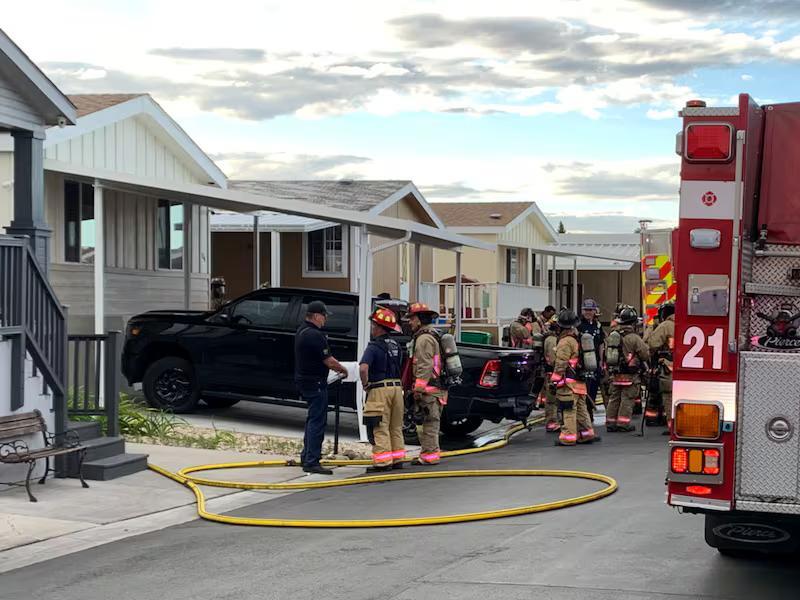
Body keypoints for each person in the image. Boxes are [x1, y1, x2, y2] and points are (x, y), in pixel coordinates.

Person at [295, 300, 348, 475]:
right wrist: (343, 370)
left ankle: (306, 456)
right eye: (324, 316)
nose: (325, 319)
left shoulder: (302, 330)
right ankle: (312, 461)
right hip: (315, 382)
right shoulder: (315, 335)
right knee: (317, 421)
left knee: (312, 419)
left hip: (306, 380)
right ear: (317, 316)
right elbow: (329, 361)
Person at [359, 307, 405, 472]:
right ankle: (398, 459)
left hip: (380, 389)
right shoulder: (396, 345)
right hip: (397, 389)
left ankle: (383, 462)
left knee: (380, 427)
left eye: (373, 325)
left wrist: (365, 384)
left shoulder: (373, 346)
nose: (372, 328)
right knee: (395, 426)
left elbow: (363, 368)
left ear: (379, 327)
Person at [550, 309, 597, 446]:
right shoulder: (578, 338)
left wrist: (554, 381)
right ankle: (586, 434)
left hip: (568, 383)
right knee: (581, 408)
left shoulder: (565, 342)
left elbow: (561, 363)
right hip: (580, 381)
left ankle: (568, 437)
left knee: (568, 409)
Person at [407, 302, 447, 465]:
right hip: (435, 389)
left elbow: (425, 365)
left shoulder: (424, 339)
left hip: (429, 390)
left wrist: (418, 389)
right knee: (428, 423)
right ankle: (428, 453)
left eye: (412, 318)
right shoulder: (432, 335)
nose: (409, 322)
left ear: (420, 319)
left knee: (429, 423)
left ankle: (429, 456)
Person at [605, 306, 649, 433]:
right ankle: (623, 423)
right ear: (633, 323)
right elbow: (645, 354)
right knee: (627, 399)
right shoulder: (634, 338)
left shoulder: (614, 335)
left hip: (616, 374)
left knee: (614, 398)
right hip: (630, 375)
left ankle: (610, 422)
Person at [648, 303, 675, 435]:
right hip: (685, 369)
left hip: (669, 367)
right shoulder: (685, 323)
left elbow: (652, 343)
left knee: (669, 397)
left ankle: (672, 427)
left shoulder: (666, 326)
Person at [577, 298, 605, 417]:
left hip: (595, 363)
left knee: (593, 388)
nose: (588, 312)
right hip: (582, 364)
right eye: (586, 310)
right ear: (582, 311)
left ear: (595, 311)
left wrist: (601, 361)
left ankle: (589, 413)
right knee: (583, 391)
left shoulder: (598, 326)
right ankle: (585, 414)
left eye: (590, 310)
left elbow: (601, 344)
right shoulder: (578, 325)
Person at [541, 316, 561, 432]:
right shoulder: (552, 340)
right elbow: (553, 359)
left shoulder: (553, 338)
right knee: (552, 398)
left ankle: (555, 420)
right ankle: (552, 422)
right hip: (553, 372)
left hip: (554, 372)